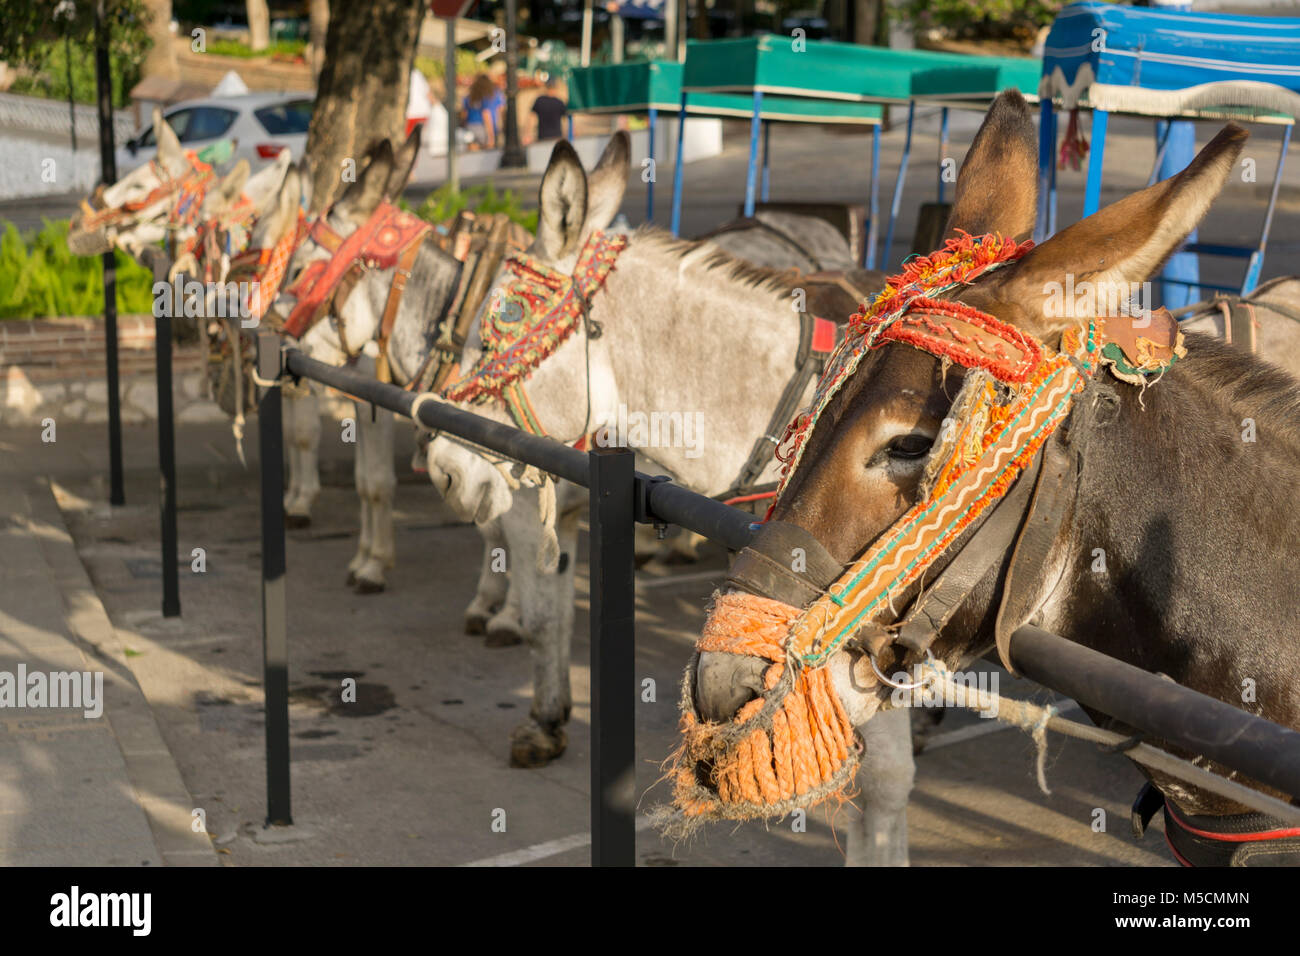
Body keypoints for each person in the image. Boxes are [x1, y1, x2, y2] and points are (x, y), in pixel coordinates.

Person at [463, 73, 503, 150]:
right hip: (483, 128)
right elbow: (486, 114)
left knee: (473, 151)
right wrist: (491, 137)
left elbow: (464, 114)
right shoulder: (487, 96)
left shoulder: (470, 96)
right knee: (487, 152)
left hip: (470, 126)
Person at [531, 76, 567, 142]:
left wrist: (528, 135)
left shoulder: (539, 100)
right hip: (557, 137)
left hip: (542, 137)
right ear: (555, 87)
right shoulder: (559, 102)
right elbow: (566, 120)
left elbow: (531, 118)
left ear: (546, 87)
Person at [406, 67, 432, 137]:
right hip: (423, 113)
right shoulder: (417, 73)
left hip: (410, 114)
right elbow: (428, 93)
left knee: (409, 139)